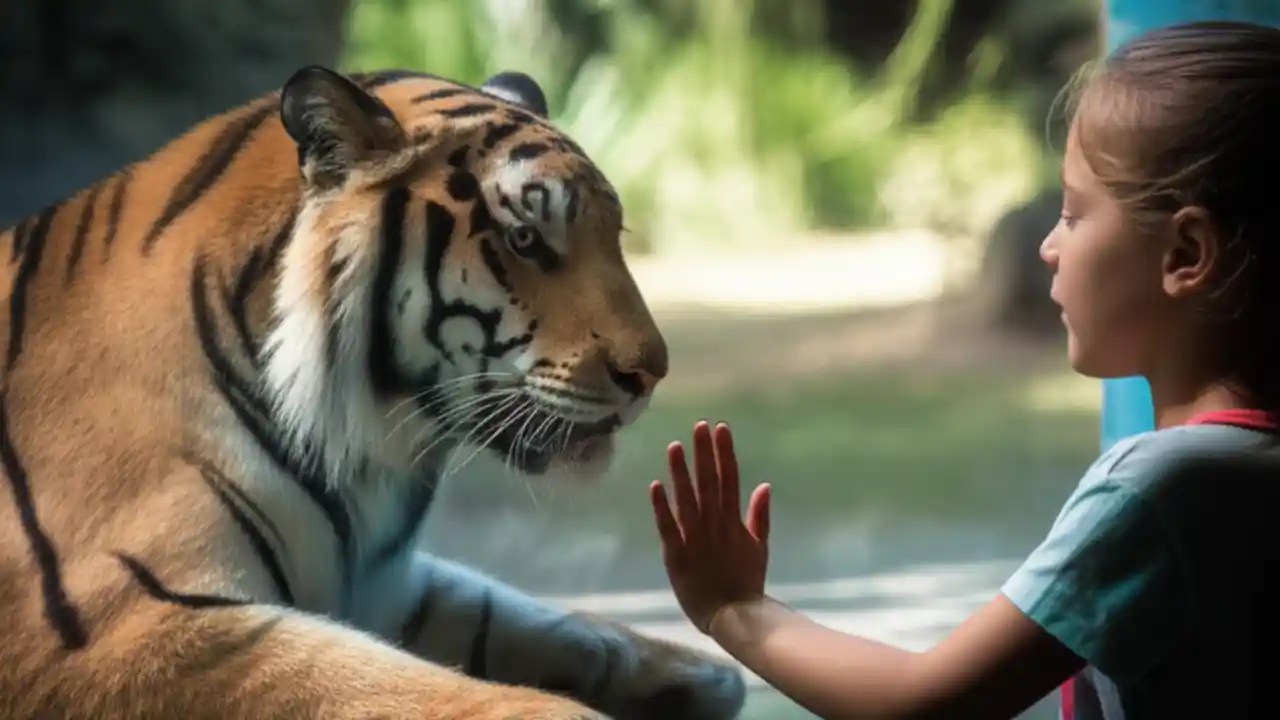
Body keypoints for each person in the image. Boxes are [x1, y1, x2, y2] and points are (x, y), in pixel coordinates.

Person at [648, 20, 1279, 720]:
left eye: (1073, 214)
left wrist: (733, 610)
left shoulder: (1165, 493)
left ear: (1186, 253)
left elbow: (923, 702)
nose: (1047, 246)